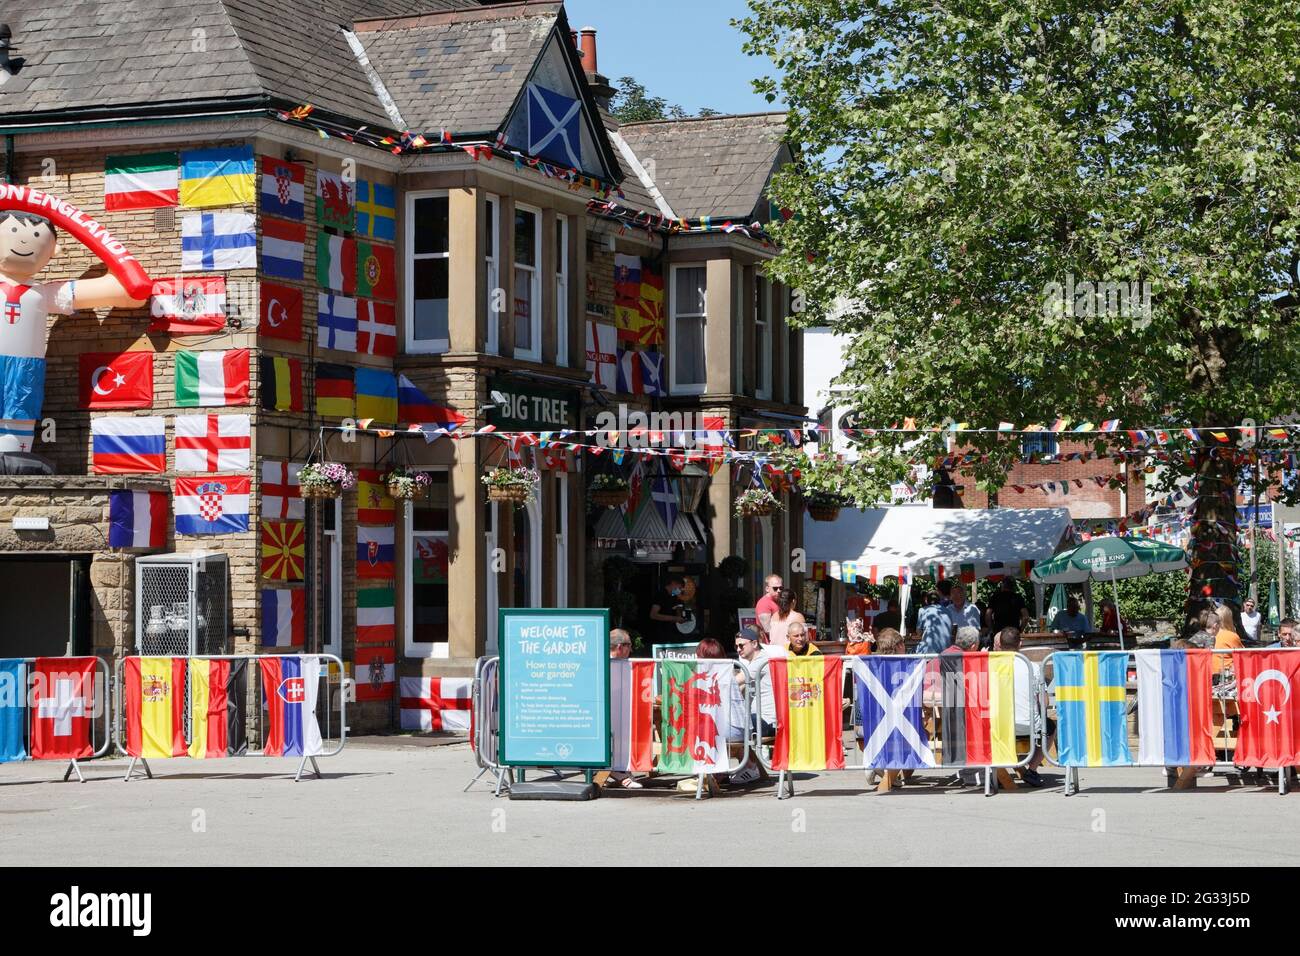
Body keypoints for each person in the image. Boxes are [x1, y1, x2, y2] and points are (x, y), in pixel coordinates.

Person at [995, 627, 1046, 787]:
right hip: (1027, 726)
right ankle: (1032, 769)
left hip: (997, 727)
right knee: (1051, 727)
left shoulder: (992, 667)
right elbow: (1044, 702)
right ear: (1021, 644)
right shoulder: (1033, 667)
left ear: (1000, 644)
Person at [730, 627, 773, 786]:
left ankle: (748, 767)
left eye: (741, 645)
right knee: (731, 724)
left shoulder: (760, 661)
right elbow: (739, 688)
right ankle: (747, 767)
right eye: (736, 646)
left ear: (754, 643)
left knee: (729, 727)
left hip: (766, 720)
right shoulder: (757, 662)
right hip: (760, 718)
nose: (738, 649)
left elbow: (735, 682)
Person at [607, 628, 642, 789]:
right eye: (629, 645)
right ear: (620, 647)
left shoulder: (623, 665)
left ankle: (620, 769)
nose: (631, 650)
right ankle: (617, 771)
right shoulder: (606, 665)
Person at [648, 576, 688, 648]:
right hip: (658, 634)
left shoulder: (674, 597)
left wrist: (680, 617)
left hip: (670, 633)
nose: (679, 590)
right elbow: (653, 615)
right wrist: (675, 618)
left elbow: (677, 609)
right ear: (673, 583)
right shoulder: (660, 595)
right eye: (679, 587)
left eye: (681, 589)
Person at [916, 587, 954, 654]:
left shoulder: (922, 610)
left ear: (926, 600)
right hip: (946, 651)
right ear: (939, 600)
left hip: (928, 651)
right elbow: (951, 629)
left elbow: (918, 632)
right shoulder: (948, 611)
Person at [1212, 605, 1242, 676]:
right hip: (1226, 677)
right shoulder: (1232, 636)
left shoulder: (1209, 635)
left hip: (1211, 676)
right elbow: (1243, 655)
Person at [755, 573, 782, 642]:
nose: (779, 590)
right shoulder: (764, 603)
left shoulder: (778, 601)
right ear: (767, 589)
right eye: (775, 588)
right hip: (769, 645)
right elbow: (768, 629)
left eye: (781, 588)